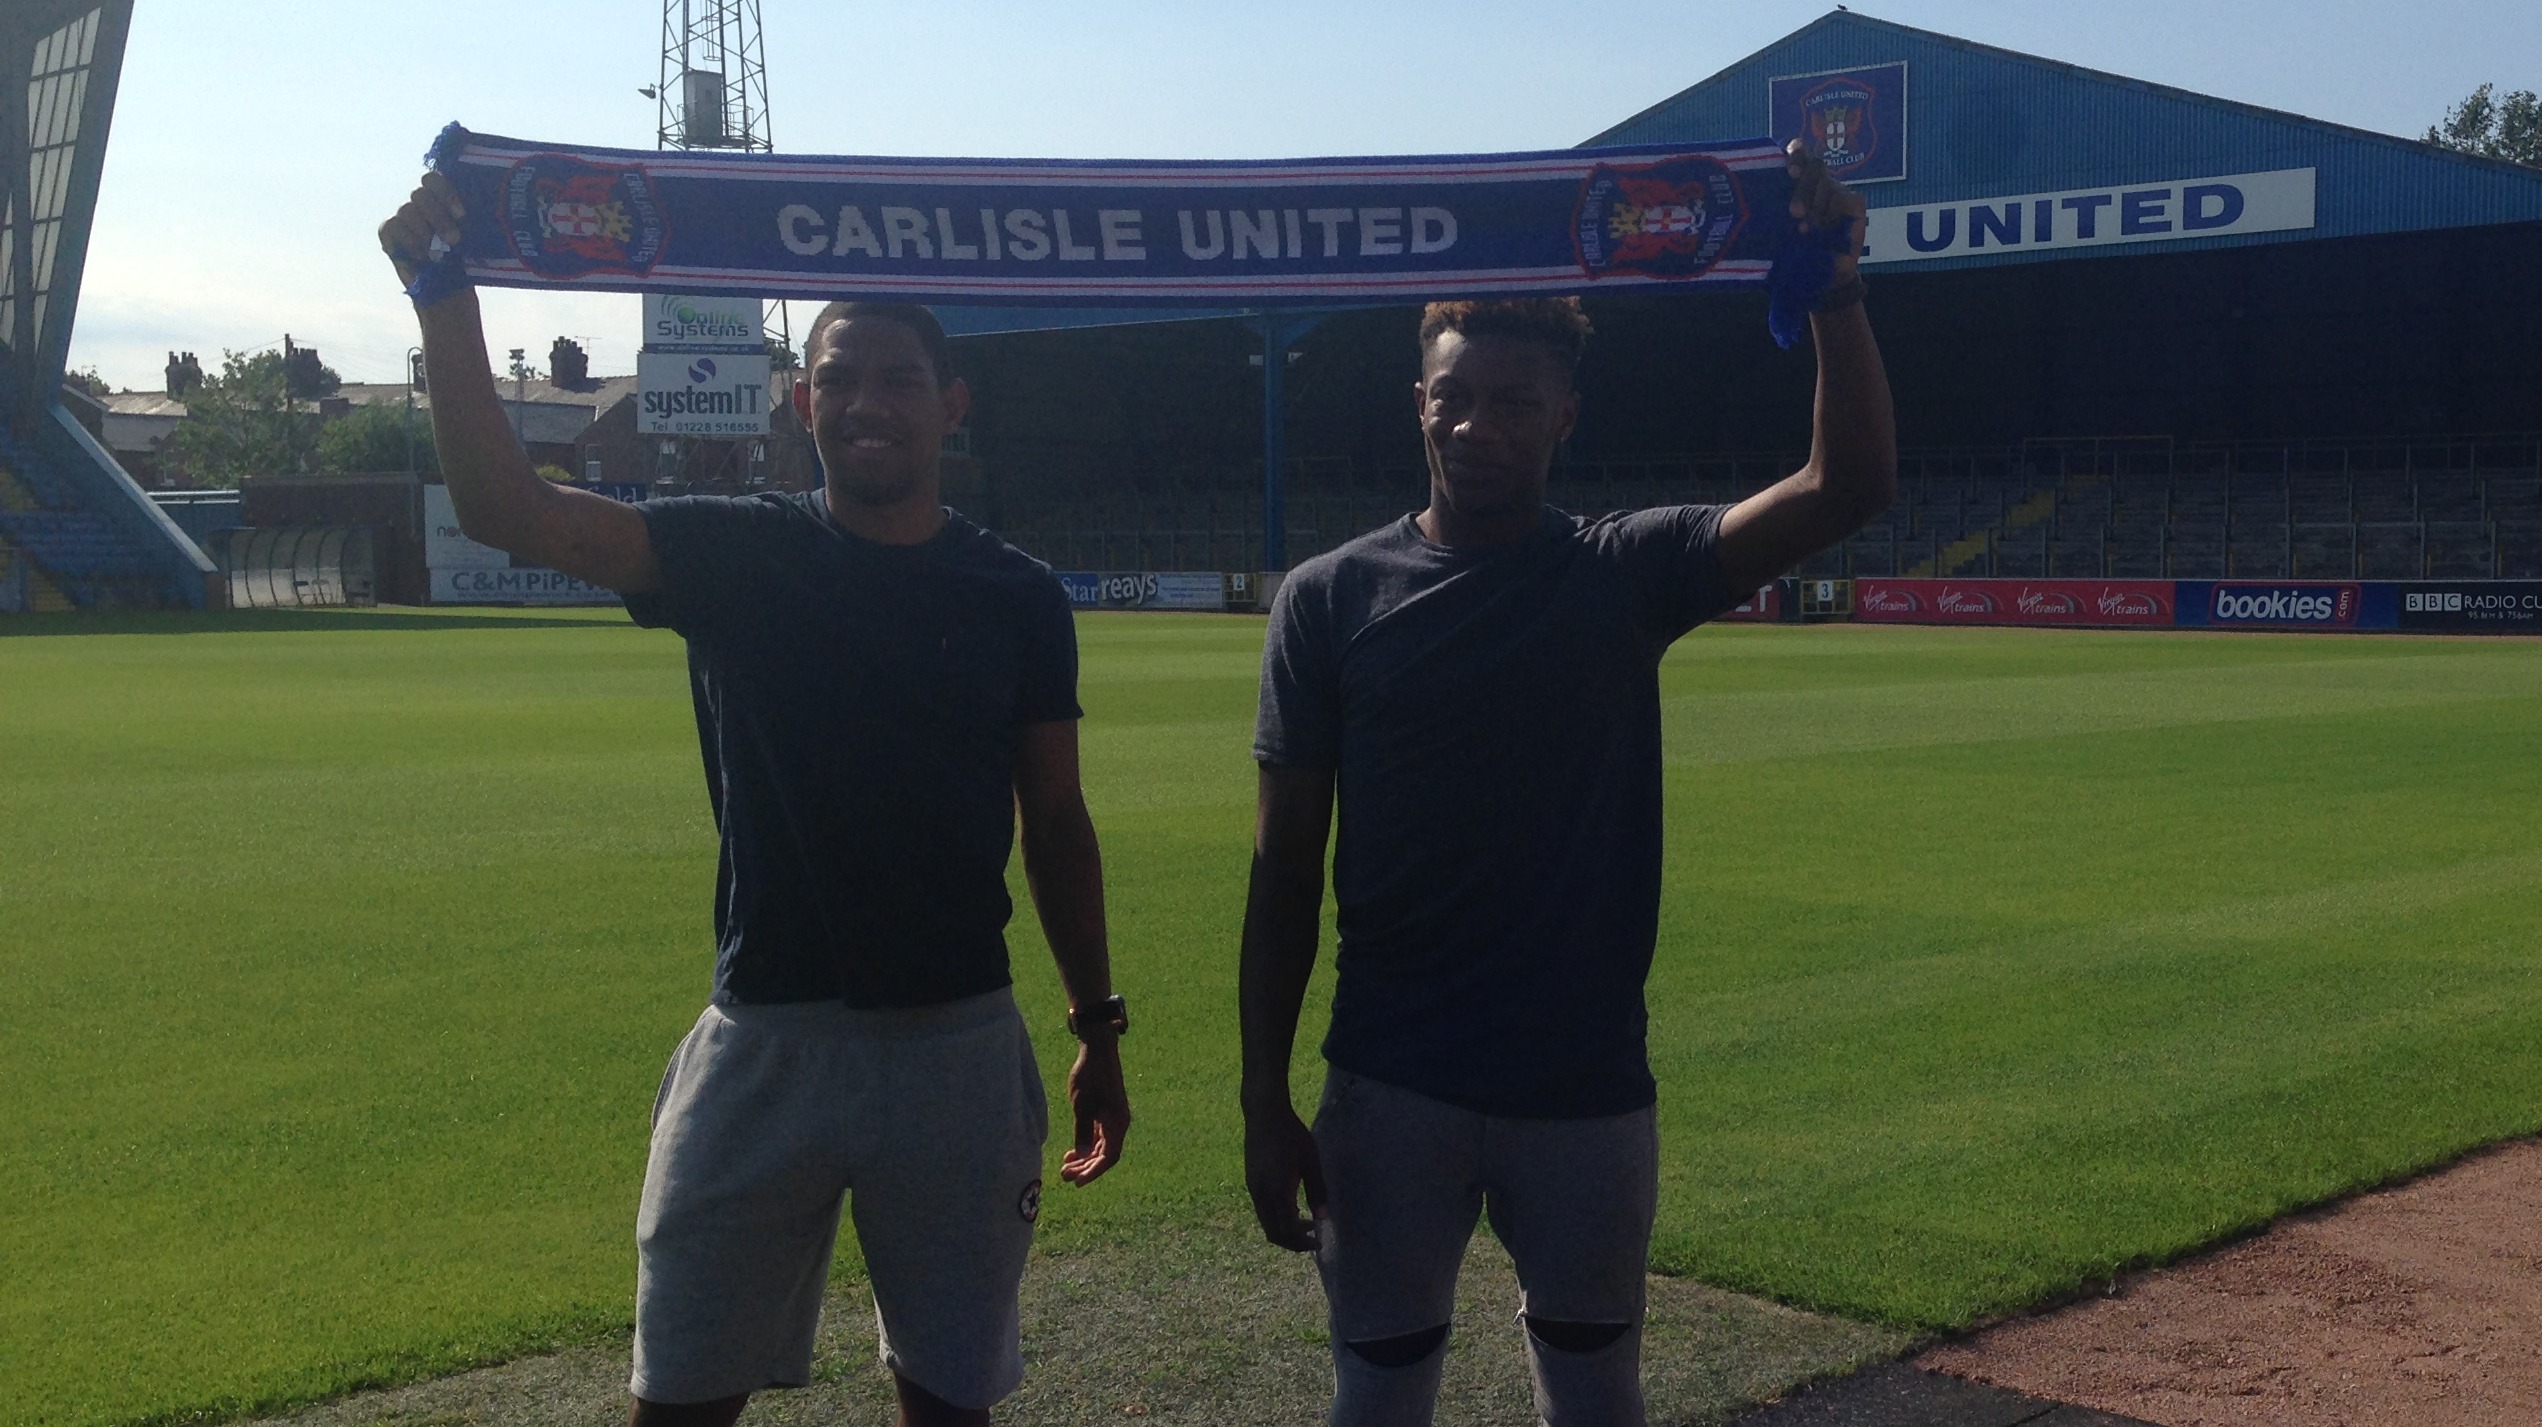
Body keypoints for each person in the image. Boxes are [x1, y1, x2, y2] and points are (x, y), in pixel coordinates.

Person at [379, 173, 1132, 1427]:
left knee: (951, 1399)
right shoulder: (735, 554)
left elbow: (1054, 822)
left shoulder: (1014, 595)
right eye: (839, 377)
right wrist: (442, 293)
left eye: (897, 377)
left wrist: (1097, 1027)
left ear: (950, 404)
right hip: (764, 1038)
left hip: (954, 1046)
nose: (866, 400)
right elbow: (506, 508)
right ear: (802, 402)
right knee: (678, 1397)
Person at [1237, 141, 1894, 1427]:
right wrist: (1264, 1096)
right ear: (1415, 401)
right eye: (1454, 396)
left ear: (1566, 415)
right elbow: (1281, 870)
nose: (1477, 424)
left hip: (1584, 1086)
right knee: (1375, 1394)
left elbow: (1847, 488)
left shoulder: (1622, 572)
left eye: (1513, 401)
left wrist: (1837, 289)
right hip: (1389, 1083)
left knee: (1596, 1395)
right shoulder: (1328, 598)